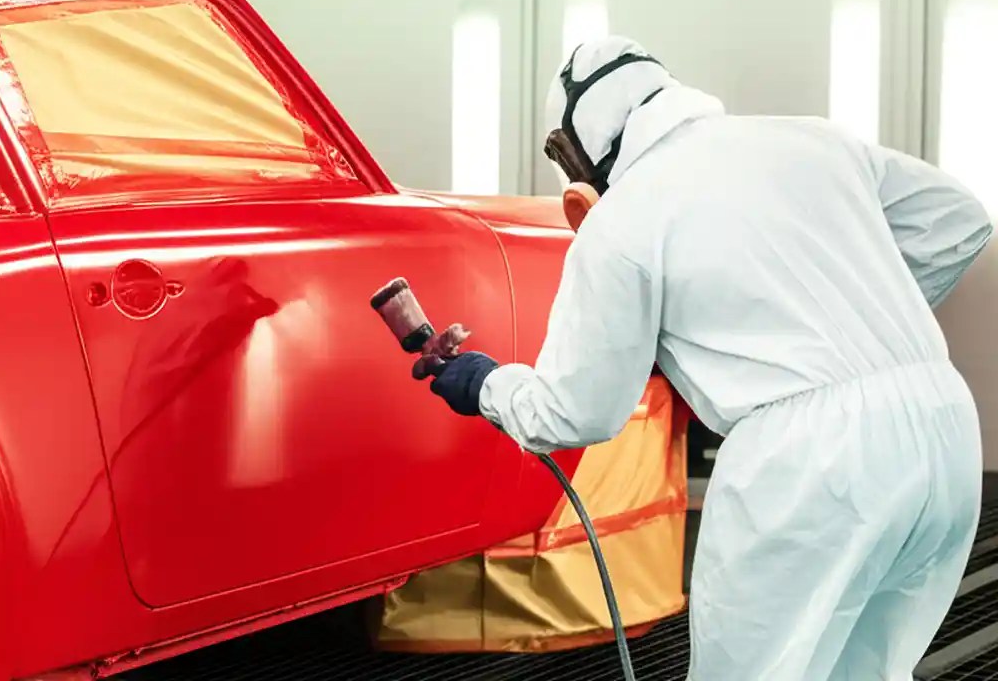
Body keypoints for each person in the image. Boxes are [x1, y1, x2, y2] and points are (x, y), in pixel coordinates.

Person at [426, 35, 993, 680]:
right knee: (868, 670)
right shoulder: (810, 140)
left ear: (579, 147)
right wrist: (853, 323)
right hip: (942, 426)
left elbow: (575, 413)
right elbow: (959, 220)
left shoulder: (623, 216)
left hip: (809, 463)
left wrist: (486, 384)